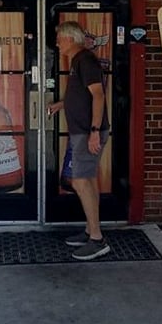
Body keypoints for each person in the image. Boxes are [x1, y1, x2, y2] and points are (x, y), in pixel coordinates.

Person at [48, 21, 110, 261]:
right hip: (83, 131)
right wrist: (60, 105)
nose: (57, 43)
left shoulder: (85, 60)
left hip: (87, 132)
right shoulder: (77, 62)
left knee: (80, 181)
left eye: (59, 38)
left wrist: (94, 130)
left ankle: (97, 239)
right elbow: (80, 96)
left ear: (71, 39)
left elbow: (98, 95)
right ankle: (90, 230)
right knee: (87, 180)